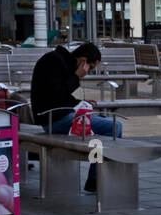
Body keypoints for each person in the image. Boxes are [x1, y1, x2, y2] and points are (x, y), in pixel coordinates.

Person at [30, 40, 122, 193]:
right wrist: (77, 77)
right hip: (53, 119)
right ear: (83, 61)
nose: (88, 72)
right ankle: (98, 179)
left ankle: (95, 179)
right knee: (115, 126)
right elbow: (56, 95)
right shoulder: (53, 62)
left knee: (103, 132)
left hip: (56, 115)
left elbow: (60, 97)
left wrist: (81, 102)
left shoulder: (60, 62)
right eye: (90, 68)